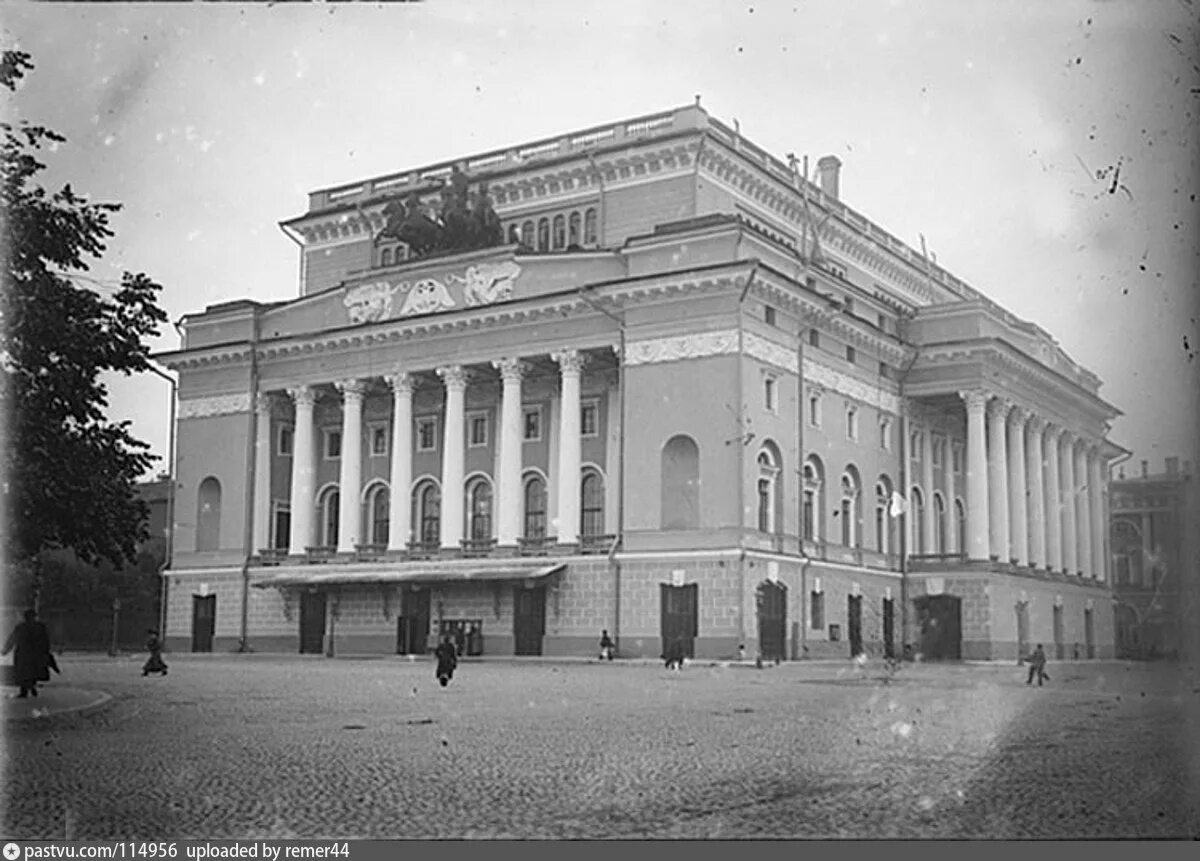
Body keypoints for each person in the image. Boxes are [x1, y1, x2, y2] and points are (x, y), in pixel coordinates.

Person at [2, 609, 55, 698]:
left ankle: (25, 690)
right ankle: (31, 686)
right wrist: (45, 652)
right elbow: (45, 640)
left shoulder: (21, 627)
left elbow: (12, 639)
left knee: (23, 673)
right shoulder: (40, 627)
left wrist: (5, 650)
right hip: (35, 654)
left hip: (23, 654)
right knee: (33, 672)